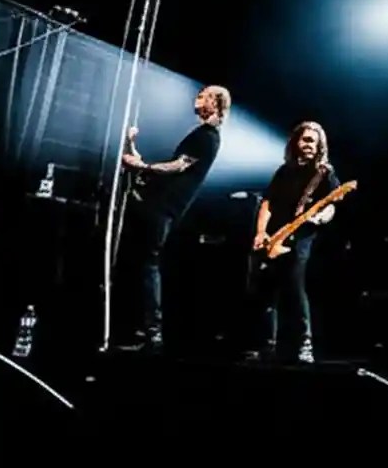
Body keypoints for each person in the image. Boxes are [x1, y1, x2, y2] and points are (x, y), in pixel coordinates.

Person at [115, 84, 229, 352]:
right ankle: (141, 329)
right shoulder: (202, 134)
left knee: (147, 265)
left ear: (216, 103)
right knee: (140, 262)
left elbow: (180, 165)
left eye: (203, 95)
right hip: (158, 206)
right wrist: (133, 145)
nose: (196, 98)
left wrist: (142, 166)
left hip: (163, 209)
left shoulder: (208, 136)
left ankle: (151, 332)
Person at [249, 121, 340, 363]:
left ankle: (304, 345)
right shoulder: (283, 171)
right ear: (296, 142)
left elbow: (331, 203)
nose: (309, 144)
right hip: (276, 234)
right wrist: (261, 232)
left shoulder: (324, 173)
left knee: (294, 285)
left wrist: (321, 217)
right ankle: (266, 345)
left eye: (314, 140)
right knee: (265, 289)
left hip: (302, 236)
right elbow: (266, 203)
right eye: (305, 139)